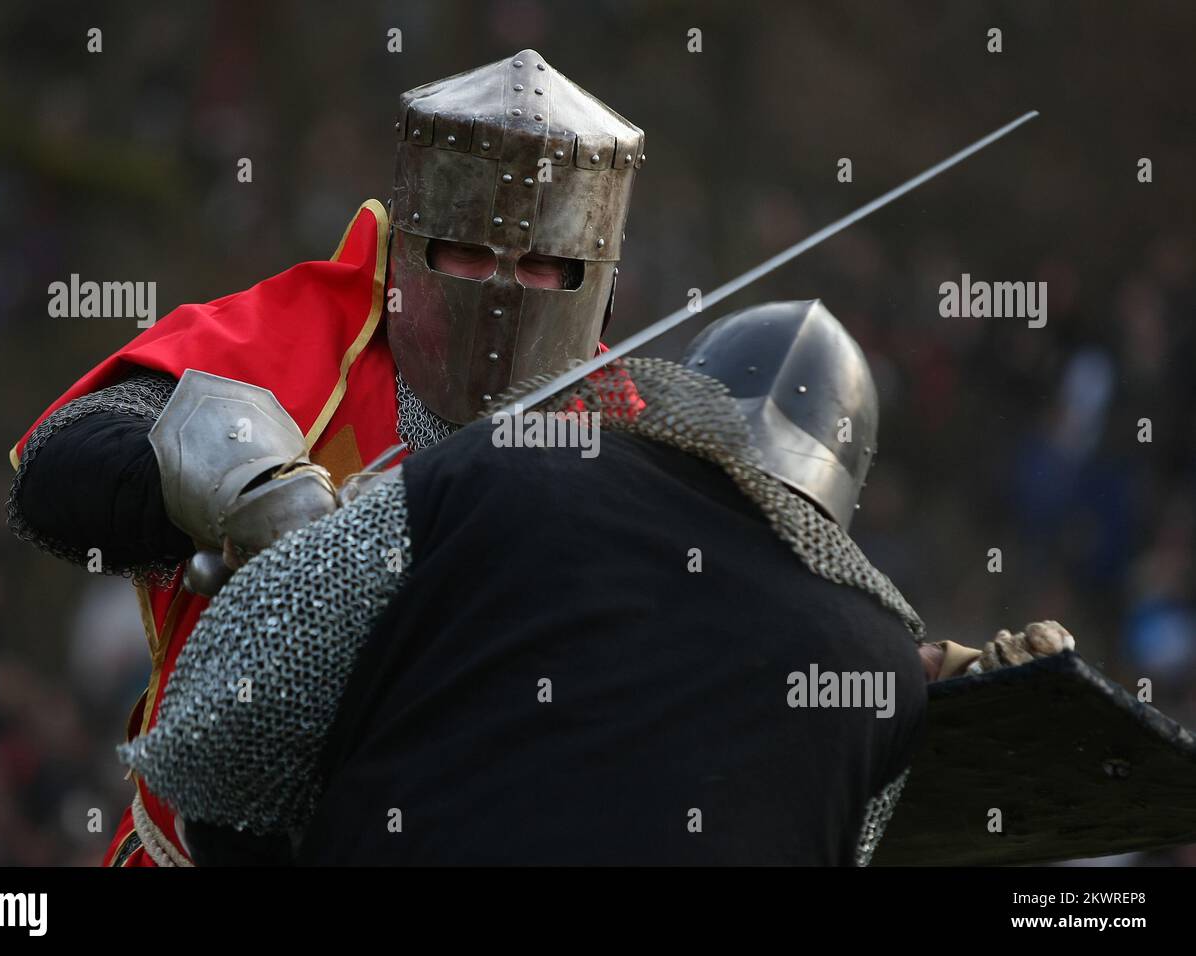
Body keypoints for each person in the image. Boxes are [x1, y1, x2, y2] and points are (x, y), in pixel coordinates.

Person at [122, 300, 1073, 865]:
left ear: (691, 397)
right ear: (843, 484)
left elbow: (231, 702)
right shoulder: (875, 663)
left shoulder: (493, 466)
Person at [5, 49, 645, 867]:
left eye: (541, 267)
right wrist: (250, 490)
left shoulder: (631, 437)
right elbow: (64, 469)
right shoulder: (297, 338)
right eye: (470, 255)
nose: (501, 292)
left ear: (595, 277)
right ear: (411, 250)